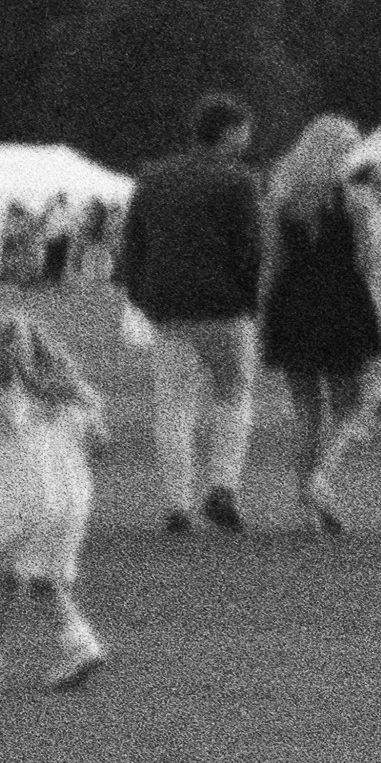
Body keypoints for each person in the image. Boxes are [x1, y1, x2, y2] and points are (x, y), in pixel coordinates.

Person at [0, 305, 114, 695]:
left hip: (25, 496)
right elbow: (101, 445)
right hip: (71, 499)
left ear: (2, 354)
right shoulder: (72, 395)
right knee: (41, 578)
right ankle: (80, 644)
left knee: (6, 577)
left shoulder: (2, 397)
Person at [111, 93, 267, 541]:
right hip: (223, 306)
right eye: (244, 128)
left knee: (173, 403)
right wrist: (250, 296)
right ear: (230, 131)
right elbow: (250, 248)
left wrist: (144, 295)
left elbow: (133, 244)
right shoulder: (239, 180)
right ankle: (222, 487)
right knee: (232, 396)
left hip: (168, 304)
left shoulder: (154, 176)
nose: (248, 136)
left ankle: (177, 502)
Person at [249, 121, 381, 537]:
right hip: (340, 302)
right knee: (351, 402)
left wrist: (265, 313)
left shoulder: (278, 201)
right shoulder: (355, 200)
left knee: (305, 413)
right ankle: (322, 475)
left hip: (293, 303)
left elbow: (272, 264)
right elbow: (367, 261)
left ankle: (308, 509)